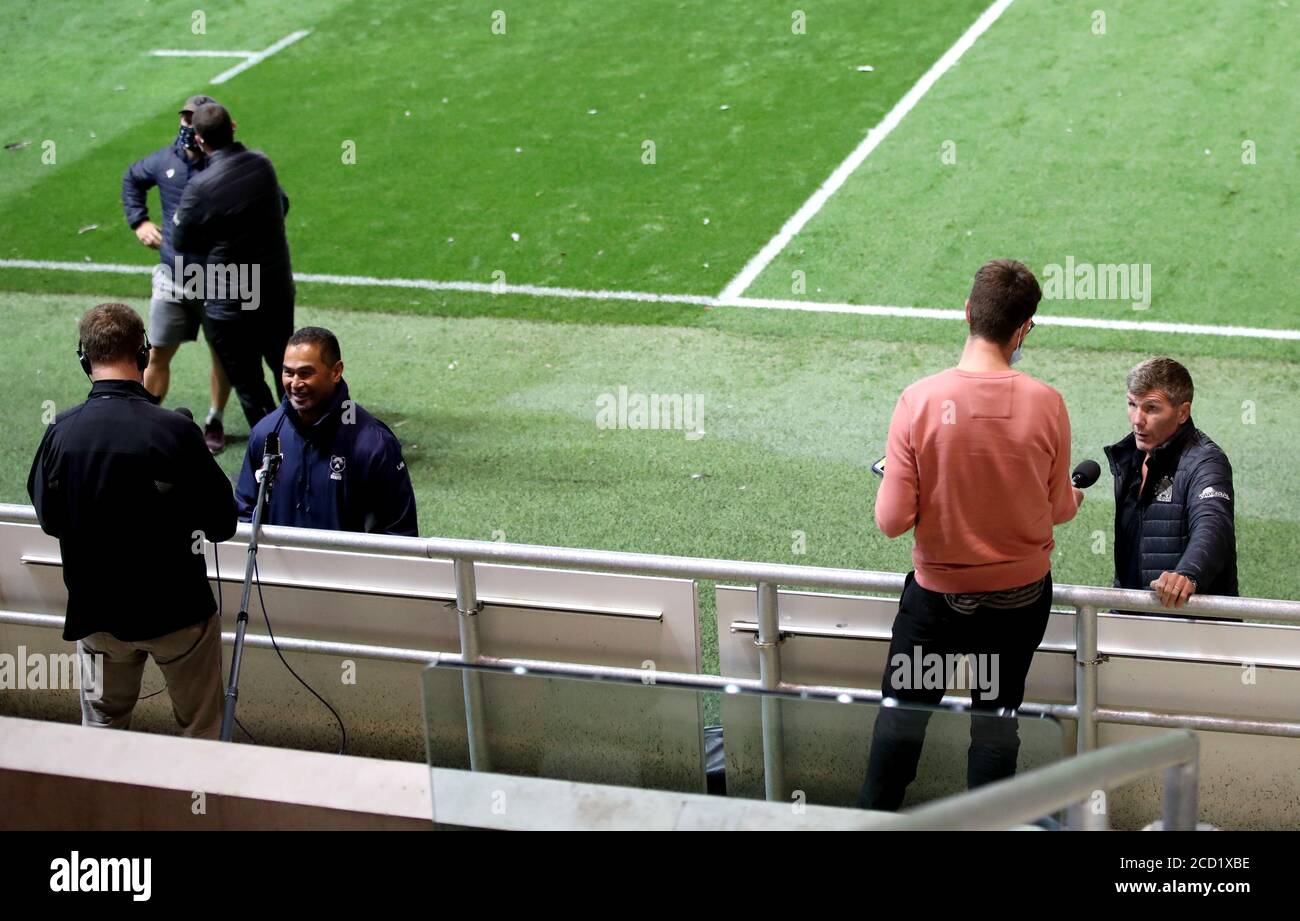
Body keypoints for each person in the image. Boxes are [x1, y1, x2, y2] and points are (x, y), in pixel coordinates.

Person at [859, 259, 1083, 811]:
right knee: (996, 724)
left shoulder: (919, 401)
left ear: (967, 313)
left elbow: (891, 522)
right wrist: (1070, 496)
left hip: (936, 604)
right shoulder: (1047, 403)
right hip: (1021, 601)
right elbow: (1059, 510)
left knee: (901, 721)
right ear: (1025, 326)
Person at [26, 303, 237, 739]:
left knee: (101, 732)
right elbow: (222, 523)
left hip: (97, 616)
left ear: (84, 358)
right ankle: (197, 806)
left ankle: (102, 808)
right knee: (201, 732)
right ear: (143, 353)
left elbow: (50, 519)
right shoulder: (174, 432)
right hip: (178, 615)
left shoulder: (61, 432)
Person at [121, 94, 232, 452]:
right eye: (185, 118)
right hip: (173, 276)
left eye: (195, 119)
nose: (188, 125)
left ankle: (214, 420)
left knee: (223, 354)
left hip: (222, 279)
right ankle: (147, 422)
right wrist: (139, 221)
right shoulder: (163, 161)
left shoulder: (230, 164)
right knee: (156, 354)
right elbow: (132, 179)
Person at [173, 102, 295, 428]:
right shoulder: (262, 165)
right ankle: (305, 442)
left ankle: (274, 451)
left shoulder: (200, 187)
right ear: (234, 126)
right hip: (275, 286)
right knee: (287, 369)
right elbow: (282, 204)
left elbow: (182, 241)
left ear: (199, 139)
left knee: (250, 385)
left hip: (232, 296)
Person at [236, 327, 418, 536]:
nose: (295, 383)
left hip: (350, 568)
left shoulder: (374, 444)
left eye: (305, 373)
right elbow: (245, 512)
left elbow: (400, 534)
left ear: (336, 372)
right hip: (278, 568)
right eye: (288, 372)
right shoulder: (266, 434)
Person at [1104, 357, 1238, 612]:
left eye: (1151, 408)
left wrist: (1188, 573)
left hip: (1192, 624)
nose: (1137, 420)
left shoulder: (1206, 461)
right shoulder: (1130, 458)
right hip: (1133, 615)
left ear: (1182, 412)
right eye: (1132, 405)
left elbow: (1213, 525)